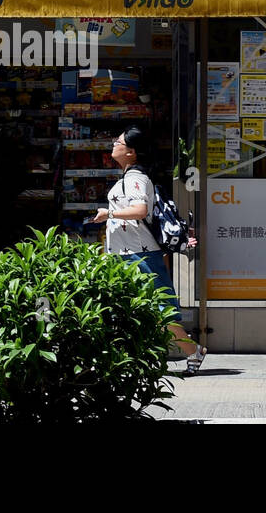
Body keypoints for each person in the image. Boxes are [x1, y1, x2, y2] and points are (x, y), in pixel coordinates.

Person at [92, 126, 206, 373]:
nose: (114, 144)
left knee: (160, 311)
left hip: (139, 256)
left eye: (118, 141)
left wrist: (107, 213)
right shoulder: (130, 177)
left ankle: (192, 351)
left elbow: (140, 210)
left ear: (131, 152)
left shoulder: (135, 178)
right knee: (132, 310)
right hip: (127, 255)